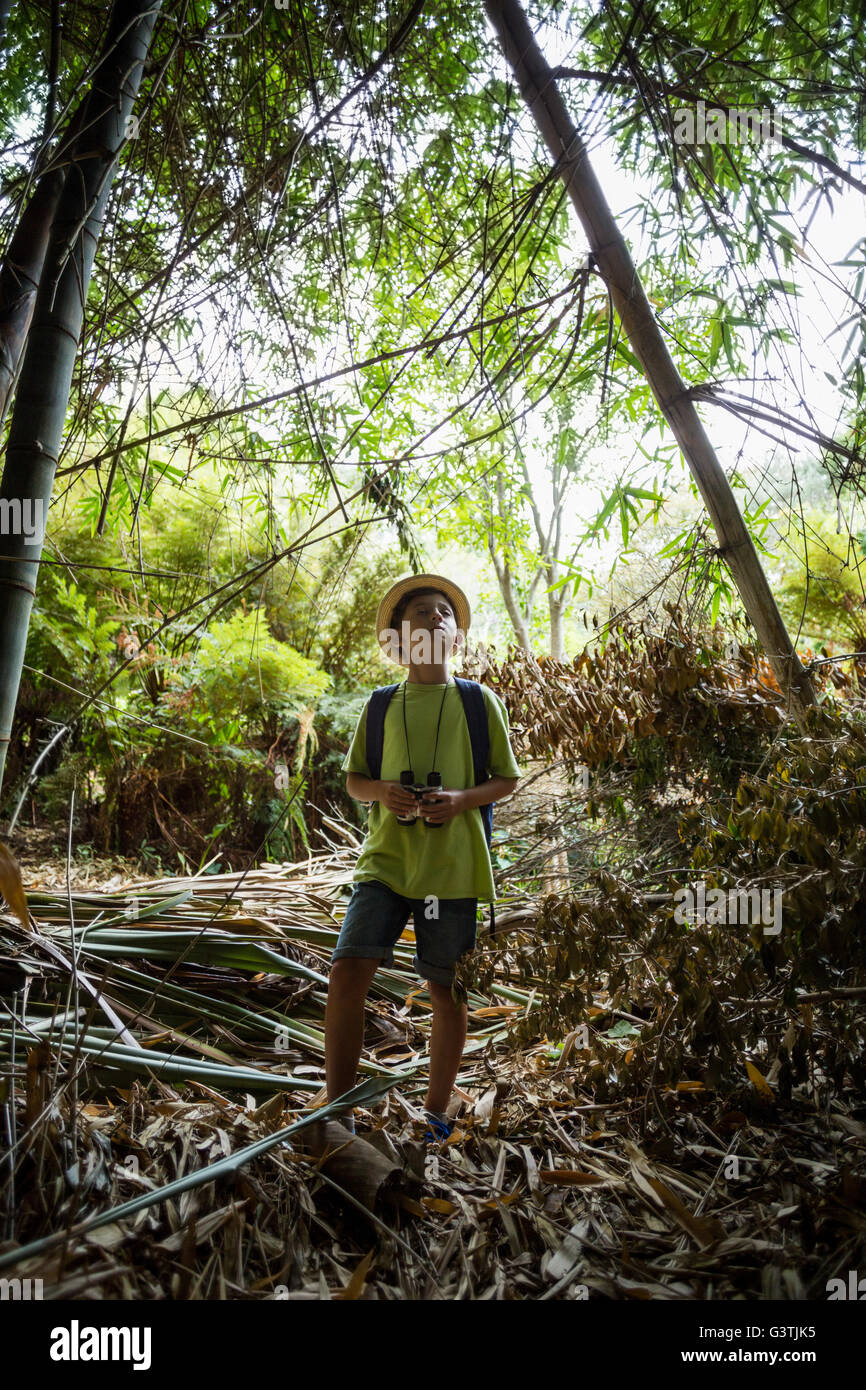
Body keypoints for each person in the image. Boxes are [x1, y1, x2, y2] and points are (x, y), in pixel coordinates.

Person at [325, 573, 521, 1143]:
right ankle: (336, 1108)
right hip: (385, 863)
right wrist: (383, 792)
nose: (435, 619)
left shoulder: (479, 703)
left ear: (456, 637)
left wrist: (460, 800)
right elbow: (356, 780)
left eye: (444, 613)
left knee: (445, 990)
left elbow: (505, 780)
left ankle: (436, 1112)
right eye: (421, 614)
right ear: (400, 640)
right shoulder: (382, 705)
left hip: (452, 870)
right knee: (347, 972)